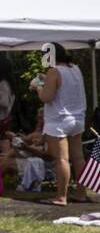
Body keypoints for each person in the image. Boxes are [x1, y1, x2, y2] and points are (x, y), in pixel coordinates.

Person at [35, 43, 92, 205]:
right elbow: (64, 87)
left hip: (59, 120)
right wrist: (46, 81)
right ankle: (81, 193)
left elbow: (47, 97)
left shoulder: (54, 71)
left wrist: (38, 87)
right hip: (77, 118)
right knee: (78, 157)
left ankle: (61, 197)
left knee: (61, 159)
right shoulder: (75, 69)